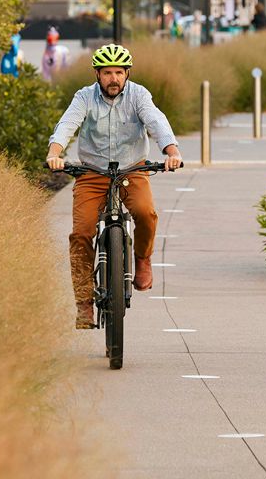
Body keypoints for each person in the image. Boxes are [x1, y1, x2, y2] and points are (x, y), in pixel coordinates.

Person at [46, 44, 183, 329]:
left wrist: (171, 152)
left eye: (118, 72)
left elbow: (156, 121)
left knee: (145, 213)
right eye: (107, 72)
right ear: (97, 74)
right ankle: (84, 303)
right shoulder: (84, 97)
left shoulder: (139, 95)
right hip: (93, 173)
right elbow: (67, 123)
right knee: (81, 233)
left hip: (133, 169)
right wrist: (55, 154)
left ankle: (143, 259)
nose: (113, 79)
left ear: (127, 73)